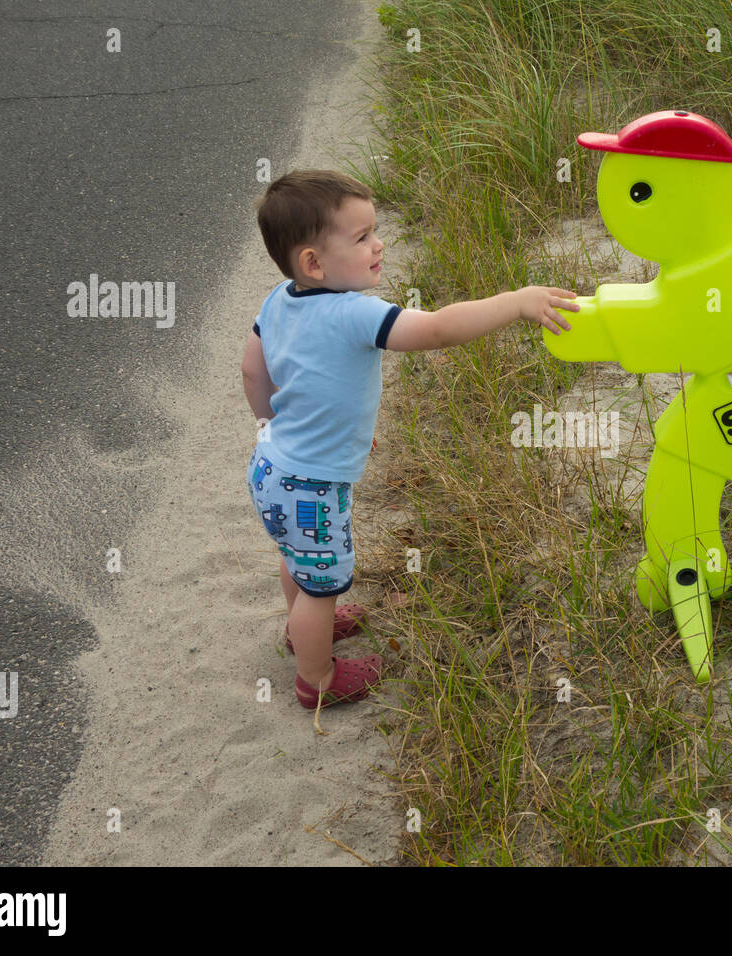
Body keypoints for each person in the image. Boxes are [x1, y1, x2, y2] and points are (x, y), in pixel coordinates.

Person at [242, 169, 577, 710]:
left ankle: (303, 628)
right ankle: (316, 680)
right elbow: (439, 329)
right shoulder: (354, 313)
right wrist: (516, 301)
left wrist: (274, 422)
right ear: (313, 262)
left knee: (298, 558)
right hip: (311, 486)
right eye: (362, 238)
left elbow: (254, 371)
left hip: (272, 465)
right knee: (321, 585)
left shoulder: (279, 300)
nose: (379, 245)